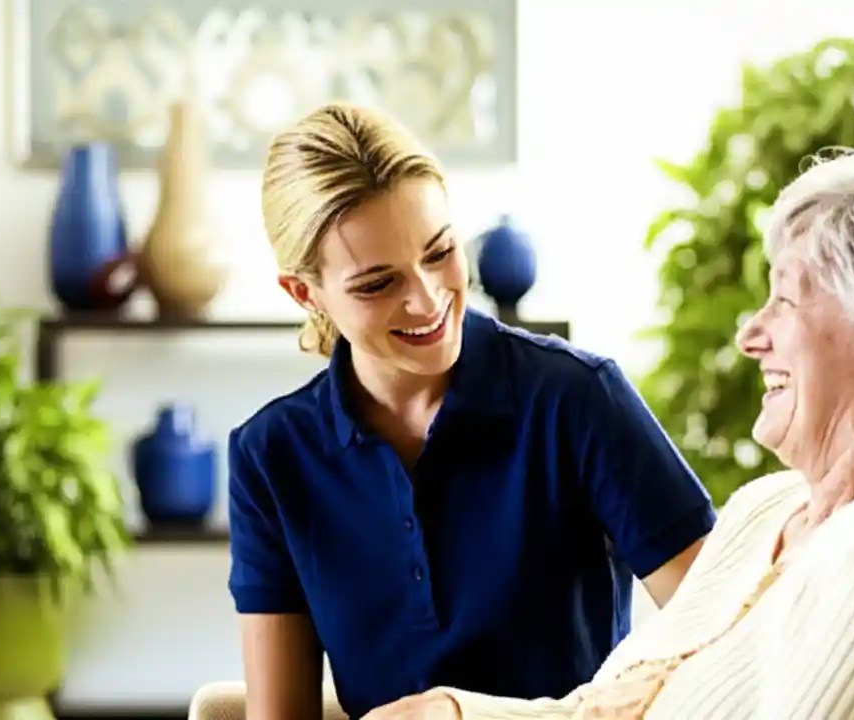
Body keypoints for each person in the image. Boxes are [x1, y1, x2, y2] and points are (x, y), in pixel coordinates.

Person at [364, 145, 854, 719]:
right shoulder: (769, 508)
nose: (751, 335)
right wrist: (455, 712)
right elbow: (603, 712)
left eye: (787, 299)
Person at [226, 102, 717, 718]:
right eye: (378, 283)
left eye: (439, 252)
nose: (427, 299)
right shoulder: (271, 455)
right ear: (305, 293)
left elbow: (724, 642)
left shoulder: (577, 397)